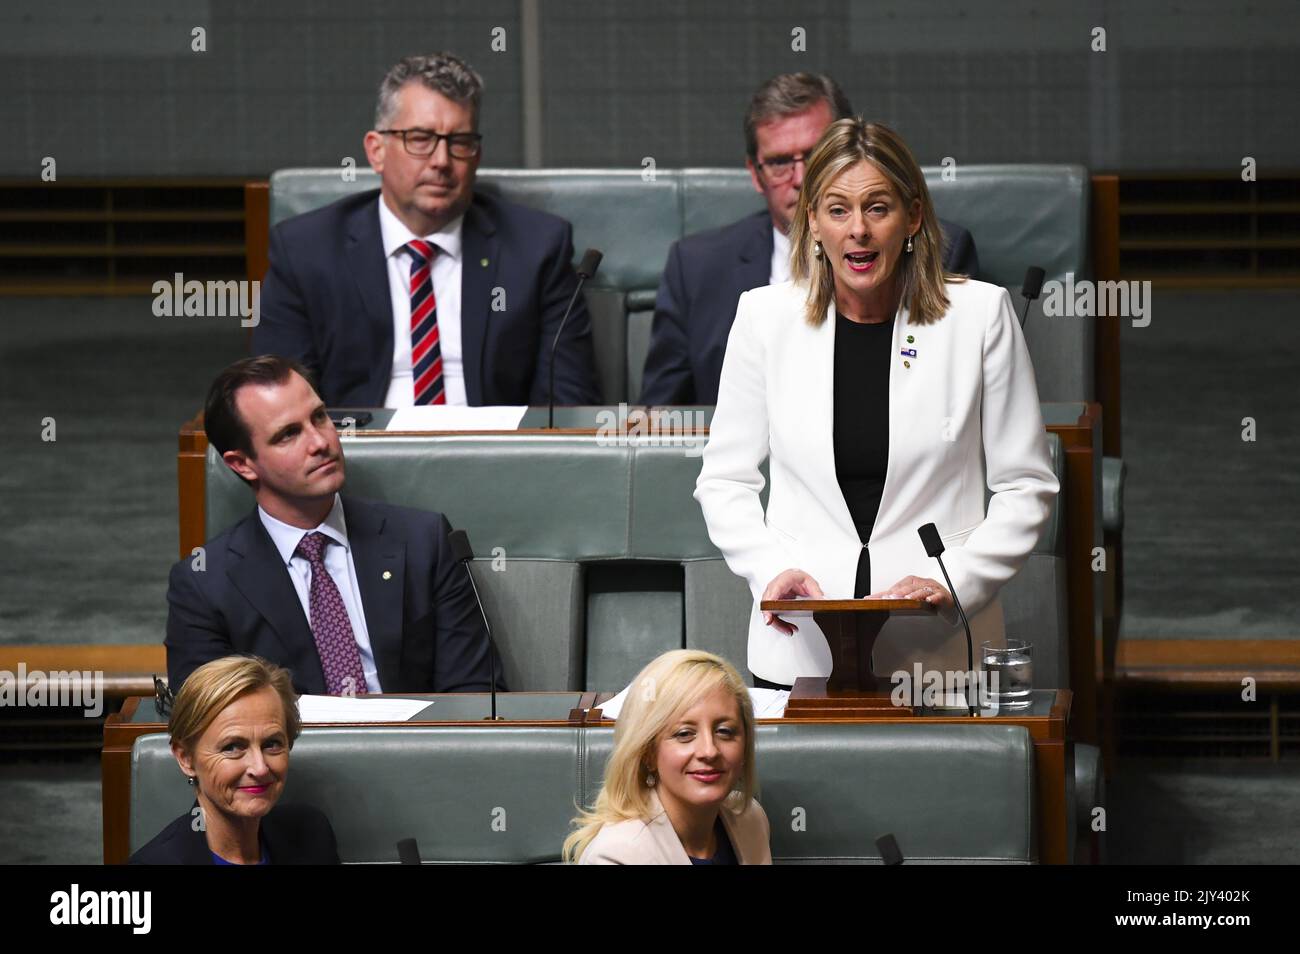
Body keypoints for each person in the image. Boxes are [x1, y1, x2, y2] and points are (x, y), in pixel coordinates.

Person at [694, 119, 1058, 690]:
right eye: (837, 210)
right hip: (801, 645)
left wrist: (957, 582)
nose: (858, 230)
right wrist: (770, 571)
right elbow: (724, 481)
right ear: (812, 221)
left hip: (938, 649)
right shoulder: (764, 318)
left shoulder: (981, 315)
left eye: (877, 208)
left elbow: (1026, 486)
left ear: (913, 217)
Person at [253, 52, 601, 408]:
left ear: (477, 156)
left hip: (492, 441)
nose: (441, 161)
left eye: (460, 142)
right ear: (376, 151)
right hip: (357, 442)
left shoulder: (537, 248)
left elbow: (567, 404)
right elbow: (279, 407)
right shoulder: (305, 251)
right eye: (420, 139)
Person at [165, 355, 502, 695]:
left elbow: (474, 691)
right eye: (289, 434)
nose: (321, 442)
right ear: (242, 464)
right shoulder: (203, 586)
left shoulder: (424, 541)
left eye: (319, 417)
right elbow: (206, 715)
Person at [640, 72, 979, 405]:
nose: (802, 178)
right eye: (780, 162)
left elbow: (959, 399)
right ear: (755, 174)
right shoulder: (696, 267)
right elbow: (658, 419)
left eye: (816, 156)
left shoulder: (942, 249)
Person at [564, 650, 771, 865]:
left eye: (724, 731)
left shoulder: (751, 818)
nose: (709, 751)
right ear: (648, 753)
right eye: (684, 734)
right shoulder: (614, 856)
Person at [130, 655, 339, 864]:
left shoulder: (312, 835)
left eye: (272, 744)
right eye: (232, 747)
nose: (260, 768)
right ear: (186, 758)